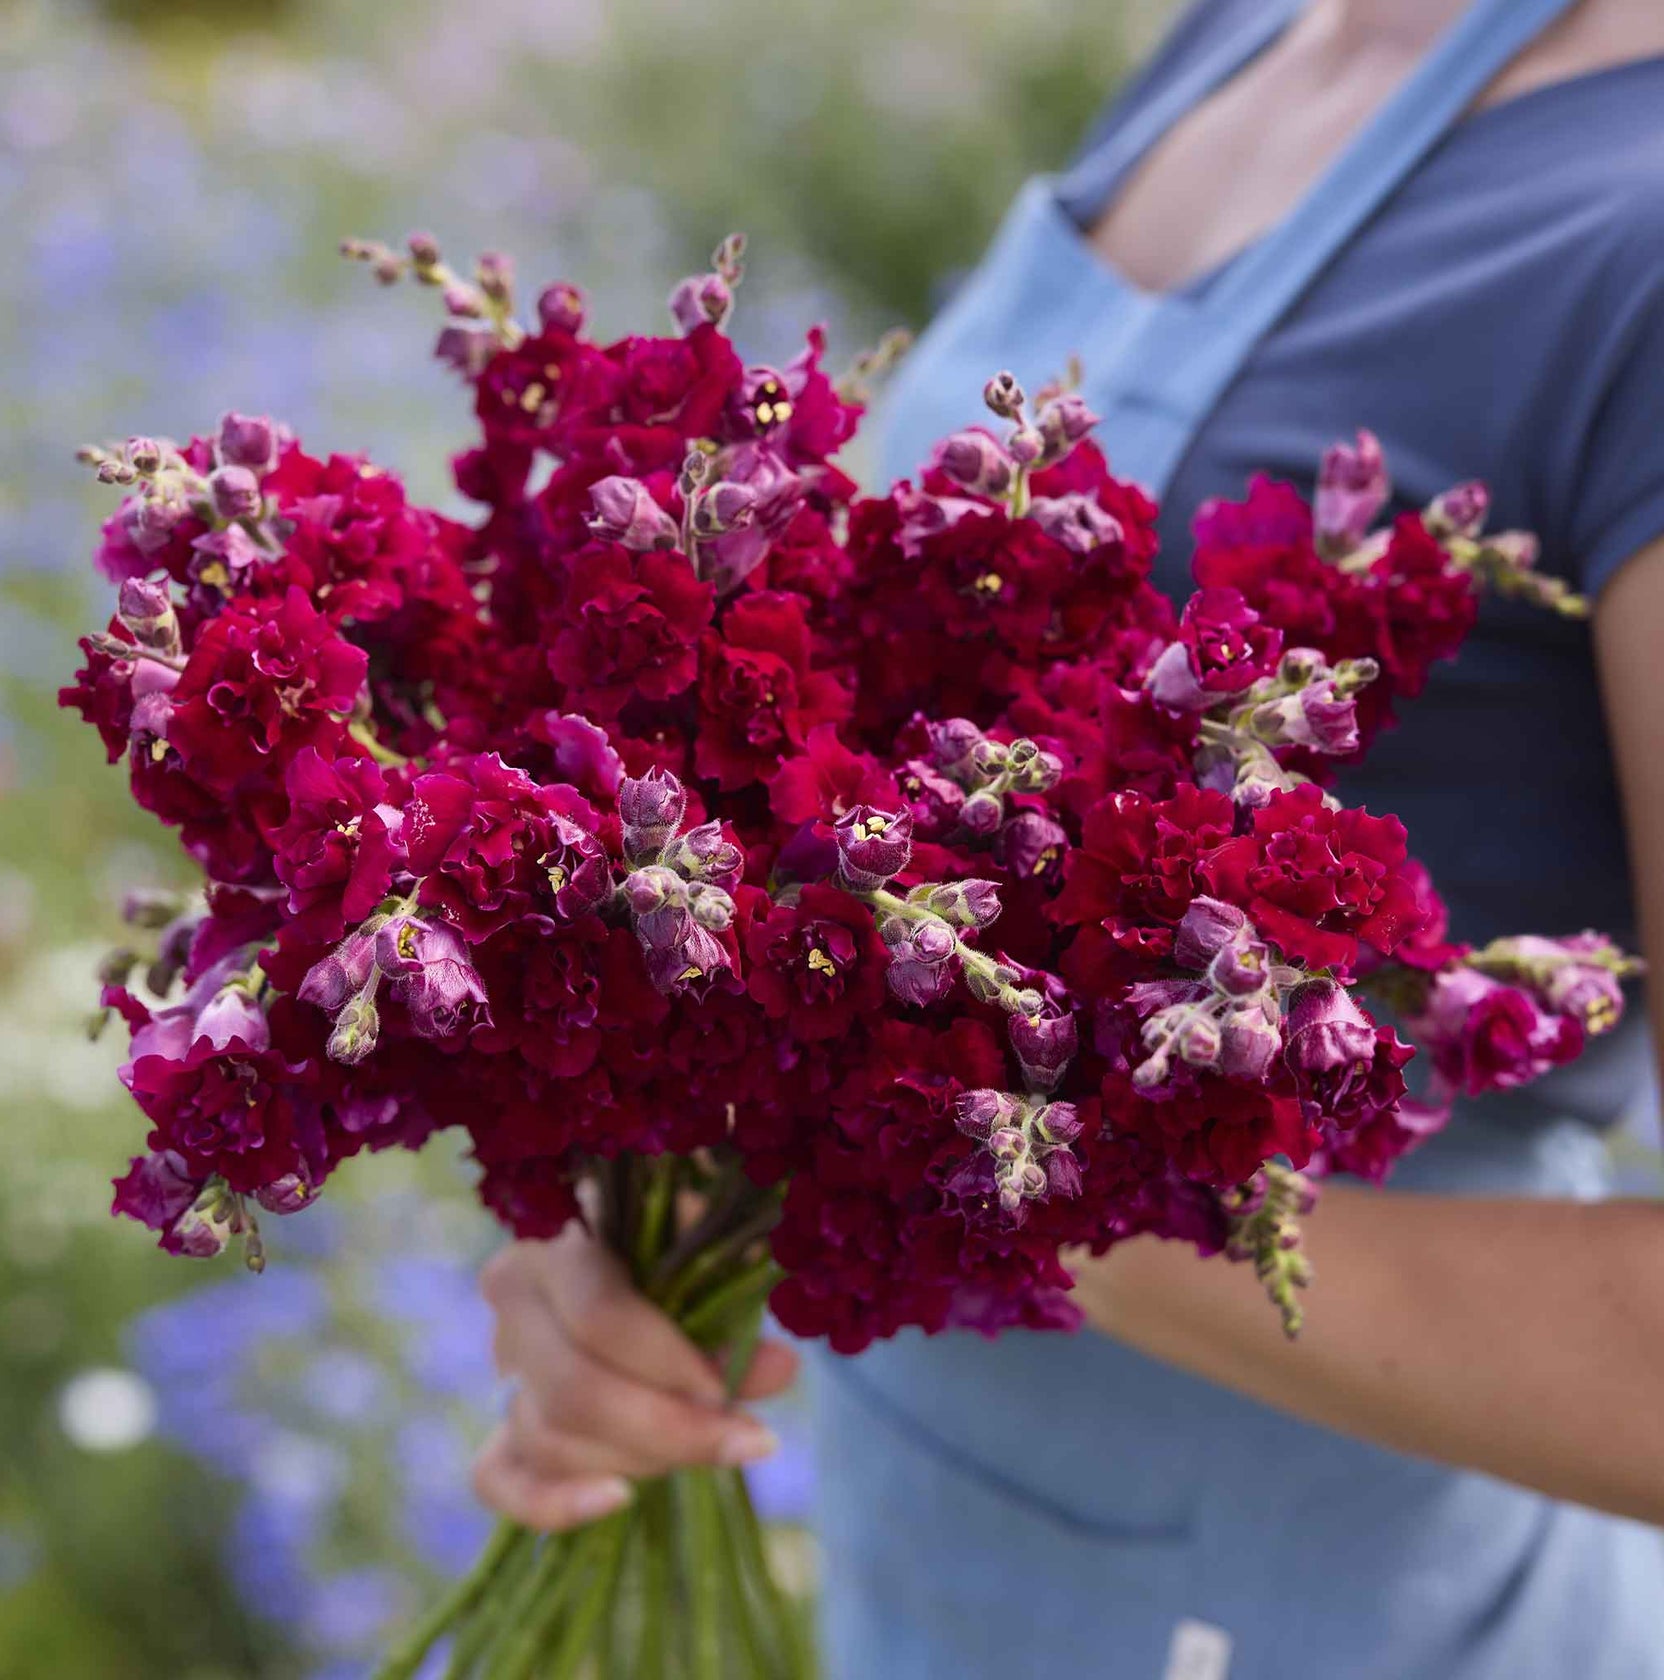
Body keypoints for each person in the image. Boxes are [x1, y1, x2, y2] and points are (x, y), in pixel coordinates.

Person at [471, 2, 1664, 1673]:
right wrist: (642, 1185)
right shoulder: (1261, 28)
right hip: (945, 1550)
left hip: (1314, 1609)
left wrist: (939, 1165)